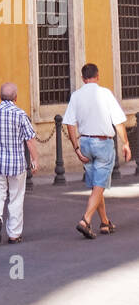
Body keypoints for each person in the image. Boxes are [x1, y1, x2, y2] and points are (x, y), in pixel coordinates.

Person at [63, 62, 131, 238]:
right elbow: (118, 121)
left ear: (83, 78)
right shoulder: (105, 93)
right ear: (98, 76)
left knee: (96, 185)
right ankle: (85, 220)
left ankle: (104, 222)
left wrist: (76, 148)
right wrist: (125, 143)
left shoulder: (76, 96)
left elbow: (70, 123)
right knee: (99, 185)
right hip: (103, 143)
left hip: (85, 143)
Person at [0, 82, 38, 244]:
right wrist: (34, 160)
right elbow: (30, 140)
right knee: (16, 197)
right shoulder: (20, 114)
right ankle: (14, 234)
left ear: (0, 96)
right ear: (16, 97)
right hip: (17, 164)